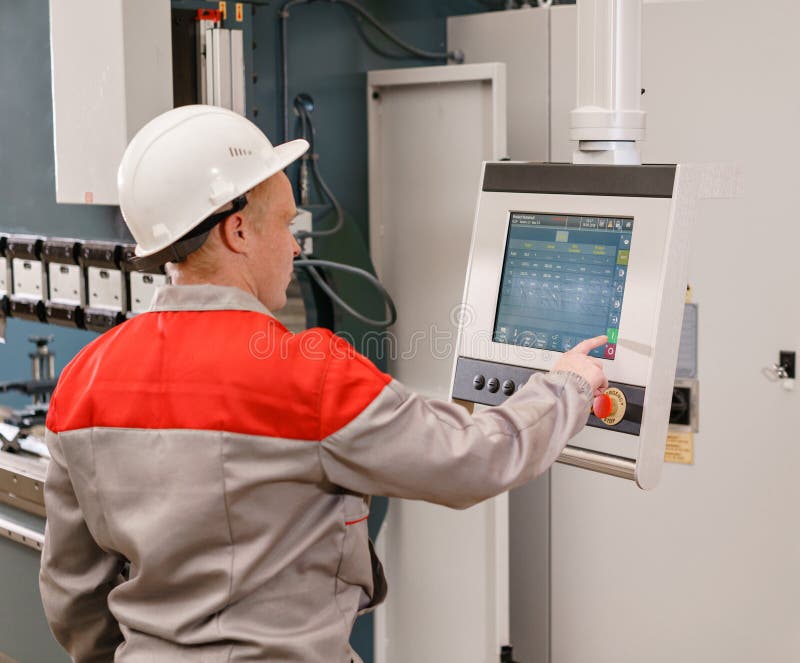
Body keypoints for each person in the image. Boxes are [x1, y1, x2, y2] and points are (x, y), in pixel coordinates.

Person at [39, 105, 608, 663]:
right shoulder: (307, 376)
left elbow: (73, 592)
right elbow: (475, 457)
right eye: (285, 223)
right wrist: (566, 387)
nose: (294, 245)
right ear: (237, 230)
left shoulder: (84, 381)